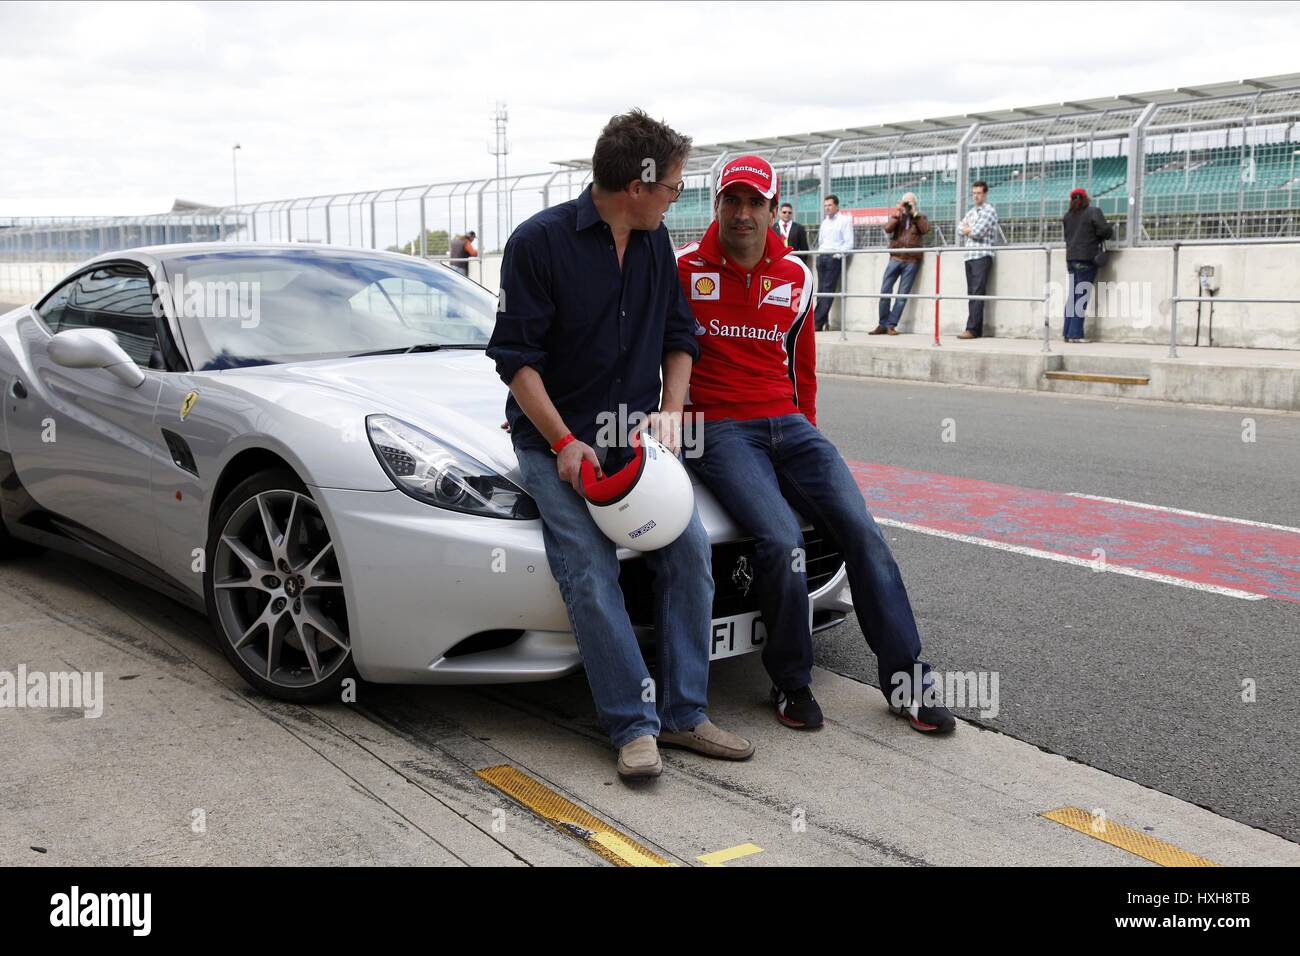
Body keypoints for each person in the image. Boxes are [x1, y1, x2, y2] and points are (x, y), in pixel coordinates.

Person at [486, 110, 754, 782]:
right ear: (636, 184)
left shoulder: (655, 244)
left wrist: (670, 412)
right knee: (589, 565)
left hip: (636, 440)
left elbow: (679, 336)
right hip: (556, 439)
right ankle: (633, 726)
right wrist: (564, 442)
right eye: (673, 187)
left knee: (690, 553)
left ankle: (685, 713)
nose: (676, 198)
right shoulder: (537, 244)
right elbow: (516, 360)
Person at [676, 155, 955, 735]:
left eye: (757, 203)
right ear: (717, 206)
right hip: (719, 429)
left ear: (776, 211)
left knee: (863, 532)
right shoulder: (681, 271)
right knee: (779, 539)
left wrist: (806, 442)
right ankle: (791, 679)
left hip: (790, 425)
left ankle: (906, 679)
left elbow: (804, 372)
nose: (744, 213)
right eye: (733, 200)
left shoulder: (798, 276)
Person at [872, 192, 929, 335]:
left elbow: (925, 229)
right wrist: (898, 214)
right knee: (885, 291)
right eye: (905, 203)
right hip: (895, 258)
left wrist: (914, 213)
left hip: (911, 261)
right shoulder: (898, 217)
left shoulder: (920, 217)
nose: (907, 206)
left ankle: (891, 325)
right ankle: (882, 324)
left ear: (915, 204)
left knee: (902, 296)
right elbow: (887, 229)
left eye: (910, 203)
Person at [1061, 188, 1113, 342]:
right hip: (1086, 260)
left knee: (1073, 296)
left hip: (1071, 259)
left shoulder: (1067, 216)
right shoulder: (1093, 212)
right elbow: (1105, 231)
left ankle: (1067, 332)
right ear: (1086, 199)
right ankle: (1075, 334)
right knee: (1081, 297)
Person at [956, 180, 997, 339]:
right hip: (970, 256)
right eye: (974, 193)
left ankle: (972, 329)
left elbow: (978, 232)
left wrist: (969, 229)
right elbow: (959, 228)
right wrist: (969, 230)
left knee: (977, 292)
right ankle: (974, 329)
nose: (976, 196)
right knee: (972, 293)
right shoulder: (971, 211)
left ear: (985, 194)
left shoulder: (989, 211)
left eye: (979, 193)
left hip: (982, 255)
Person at [813, 194, 853, 331]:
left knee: (828, 290)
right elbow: (821, 241)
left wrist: (837, 255)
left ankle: (816, 322)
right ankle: (821, 321)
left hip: (833, 258)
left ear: (836, 206)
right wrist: (819, 254)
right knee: (820, 291)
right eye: (825, 206)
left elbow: (849, 242)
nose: (827, 208)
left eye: (829, 205)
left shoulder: (844, 221)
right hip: (822, 256)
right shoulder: (825, 222)